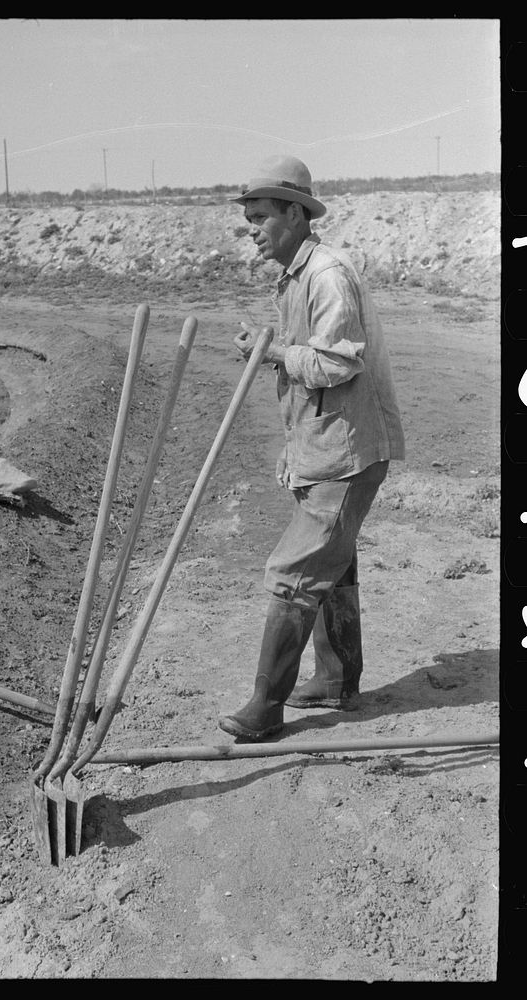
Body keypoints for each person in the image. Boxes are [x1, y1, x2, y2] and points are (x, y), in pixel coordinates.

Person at [218, 155, 405, 741]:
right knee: (332, 559)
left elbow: (336, 362)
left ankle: (265, 708)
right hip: (325, 445)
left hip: (349, 451)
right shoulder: (295, 275)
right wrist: (293, 449)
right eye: (248, 218)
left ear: (295, 214)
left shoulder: (325, 274)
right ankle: (334, 679)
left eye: (260, 216)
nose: (252, 229)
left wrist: (270, 351)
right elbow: (313, 372)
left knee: (294, 570)